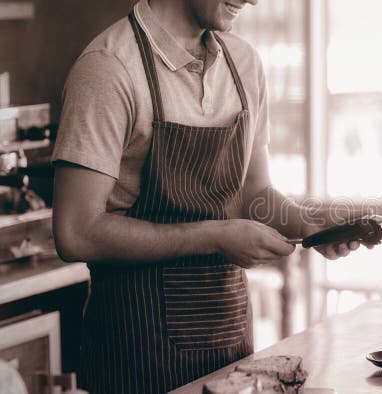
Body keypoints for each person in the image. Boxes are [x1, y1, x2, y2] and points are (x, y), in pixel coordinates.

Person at [51, 1, 366, 392]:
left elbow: (255, 191)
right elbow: (76, 231)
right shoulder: (109, 67)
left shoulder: (244, 62)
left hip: (231, 349)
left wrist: (307, 224)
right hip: (135, 351)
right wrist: (215, 237)